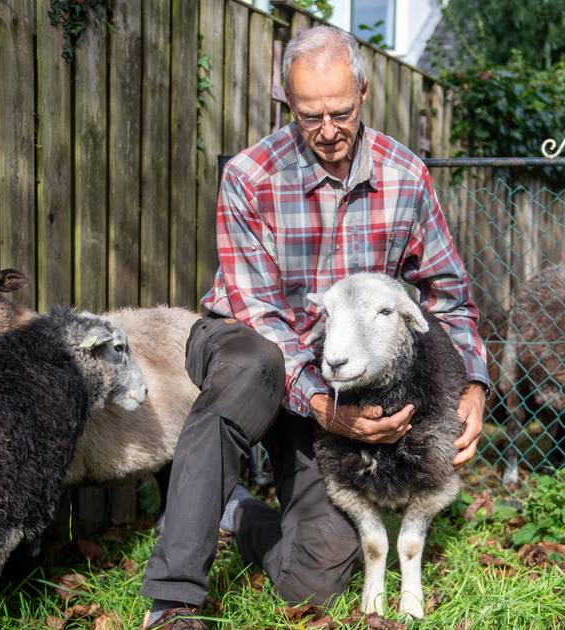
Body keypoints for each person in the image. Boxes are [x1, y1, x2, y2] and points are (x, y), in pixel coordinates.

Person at [139, 25, 489, 629]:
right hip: (246, 347)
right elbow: (261, 315)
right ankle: (172, 599)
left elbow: (449, 298)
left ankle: (243, 516)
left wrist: (473, 385)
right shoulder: (250, 176)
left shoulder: (406, 176)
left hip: (342, 380)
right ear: (288, 104)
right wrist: (326, 407)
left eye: (340, 112)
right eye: (309, 116)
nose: (326, 130)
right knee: (255, 368)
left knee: (319, 575)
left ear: (364, 93)